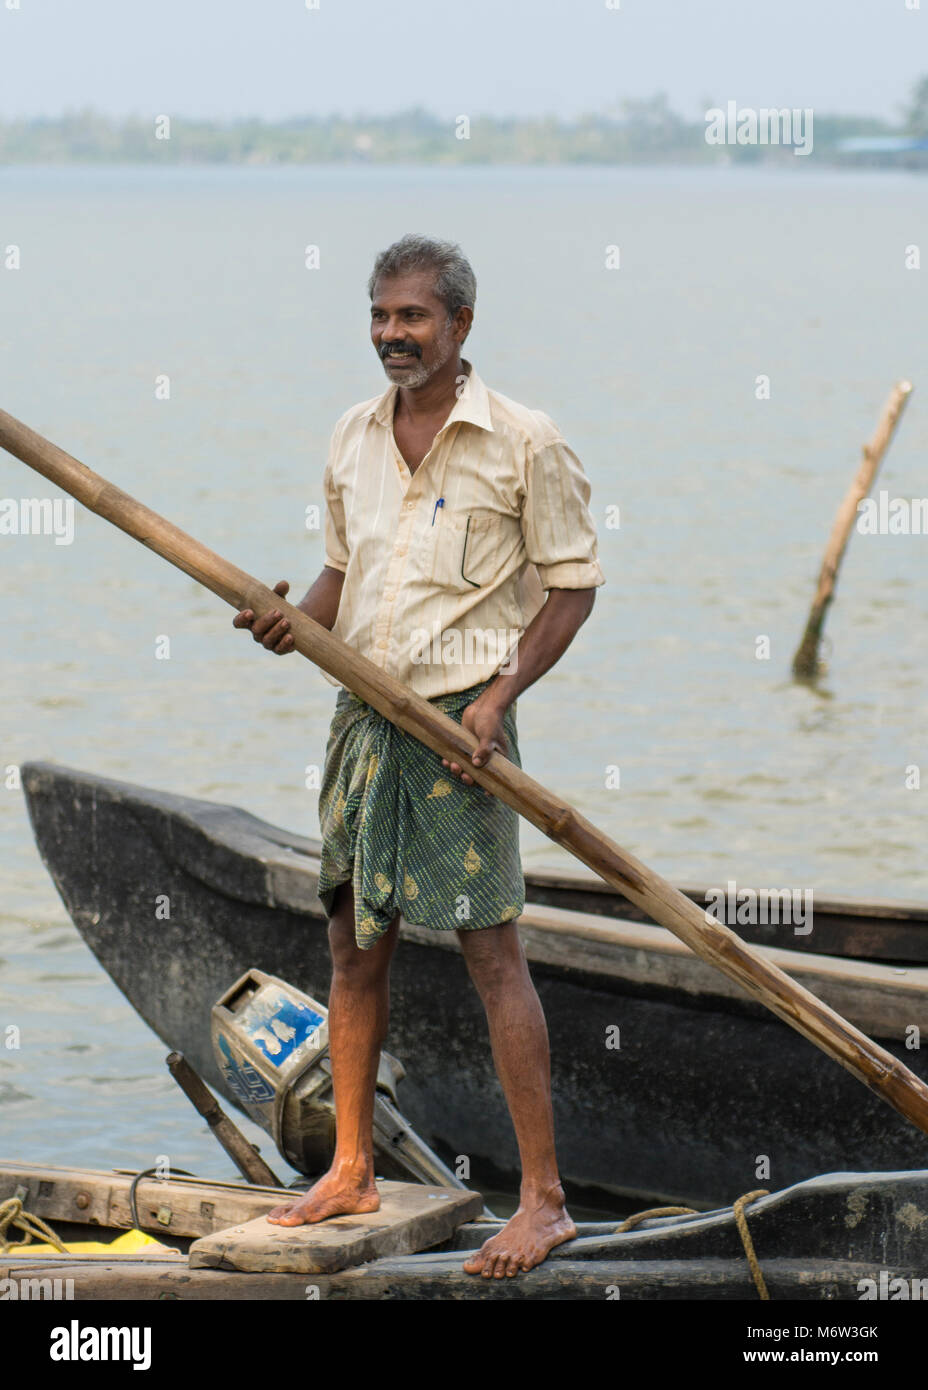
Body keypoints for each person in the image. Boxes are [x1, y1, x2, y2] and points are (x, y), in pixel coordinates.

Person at [233, 234, 604, 1278]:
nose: (392, 336)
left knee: (492, 955)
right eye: (380, 316)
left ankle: (542, 1200)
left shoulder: (524, 442)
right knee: (354, 947)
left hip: (459, 732)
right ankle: (351, 1165)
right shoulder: (354, 435)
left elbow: (571, 585)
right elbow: (342, 573)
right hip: (363, 718)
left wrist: (497, 698)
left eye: (412, 318)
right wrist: (291, 620)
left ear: (460, 327)